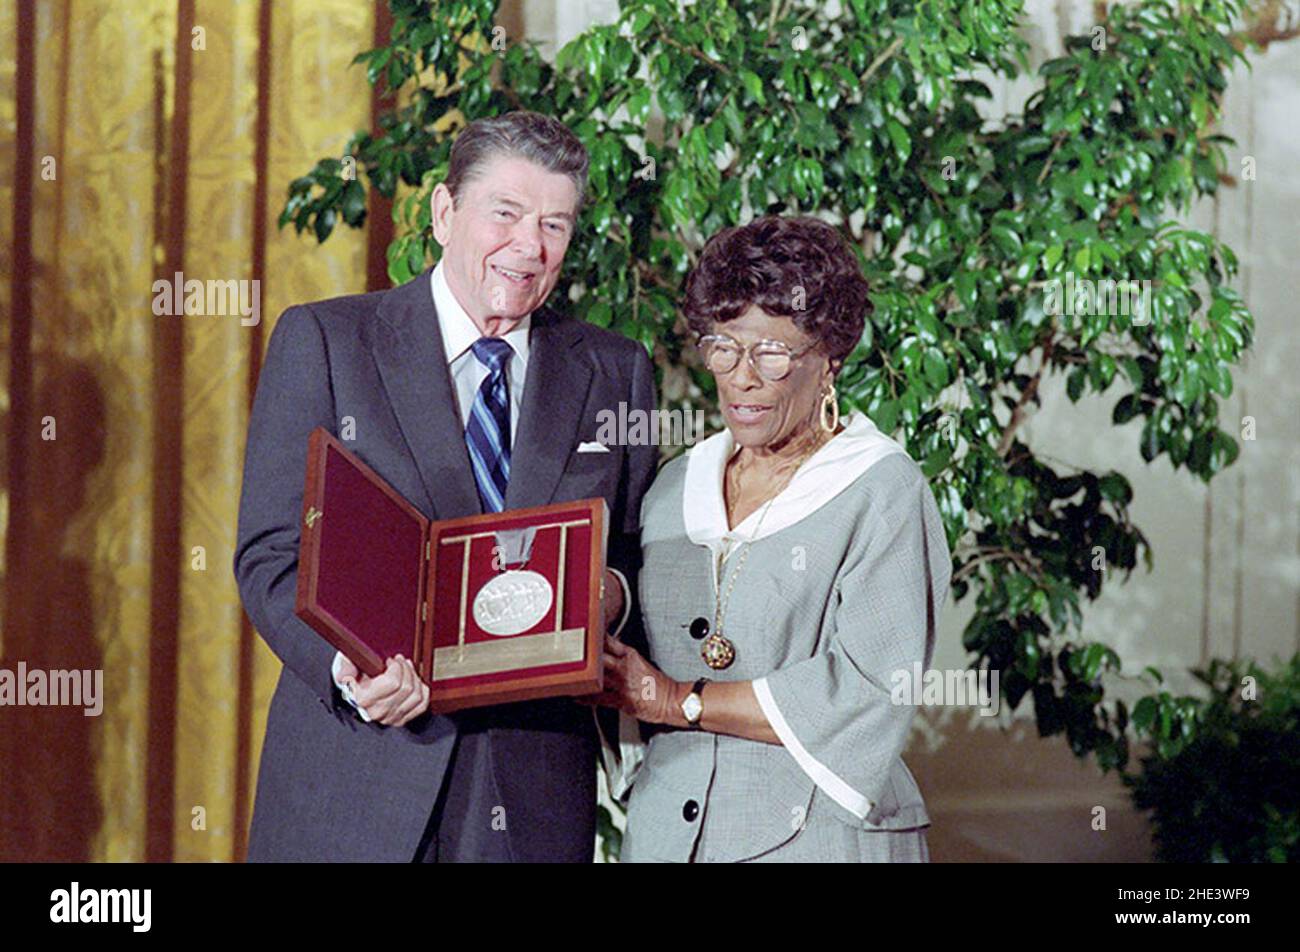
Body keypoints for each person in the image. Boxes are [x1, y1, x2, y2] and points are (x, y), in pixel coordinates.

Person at [234, 111, 658, 862]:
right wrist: (350, 669)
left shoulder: (615, 371)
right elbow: (270, 555)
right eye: (506, 213)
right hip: (353, 777)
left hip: (529, 793)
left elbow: (633, 553)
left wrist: (608, 596)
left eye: (555, 225)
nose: (529, 247)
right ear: (443, 212)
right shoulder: (327, 342)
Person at [591, 215, 952, 862]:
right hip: (667, 838)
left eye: (772, 353)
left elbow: (872, 687)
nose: (741, 378)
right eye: (722, 348)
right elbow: (632, 661)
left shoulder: (879, 489)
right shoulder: (677, 487)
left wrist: (681, 701)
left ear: (830, 359)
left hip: (820, 839)